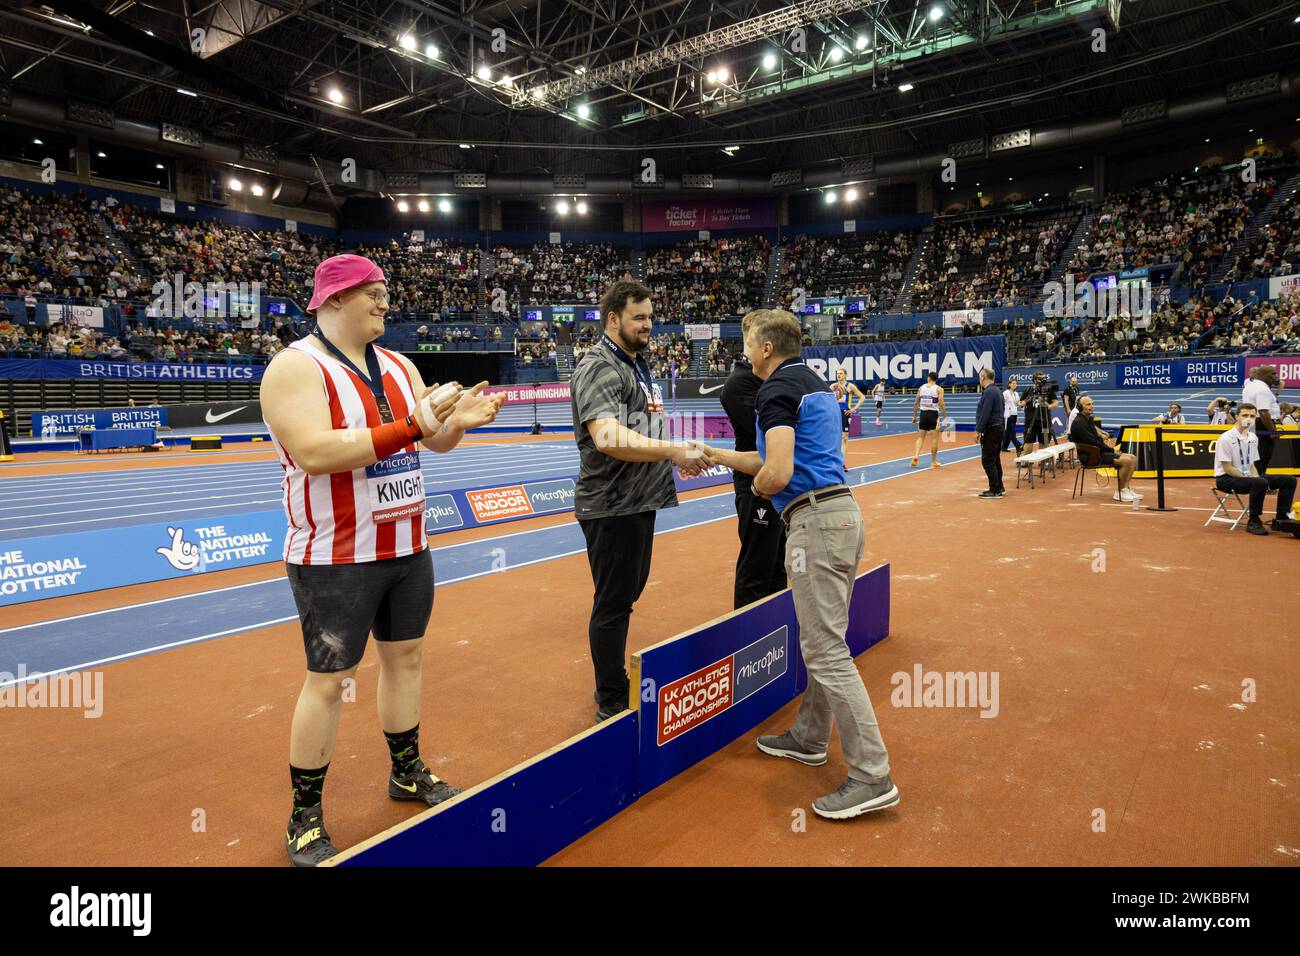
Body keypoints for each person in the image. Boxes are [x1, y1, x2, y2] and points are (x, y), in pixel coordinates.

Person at [260, 253, 506, 867]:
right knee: (328, 682)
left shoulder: (398, 364)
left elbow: (433, 434)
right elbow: (315, 451)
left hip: (407, 544)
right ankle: (306, 817)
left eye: (386, 293)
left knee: (407, 659)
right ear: (334, 298)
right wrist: (414, 429)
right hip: (335, 554)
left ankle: (406, 772)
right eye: (373, 292)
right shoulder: (294, 368)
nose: (385, 302)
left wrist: (461, 423)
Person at [695, 309, 898, 819]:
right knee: (826, 642)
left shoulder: (773, 391)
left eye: (746, 342)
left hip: (813, 524)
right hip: (841, 515)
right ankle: (809, 737)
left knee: (826, 651)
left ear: (765, 348)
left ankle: (872, 774)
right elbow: (780, 459)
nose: (743, 351)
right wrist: (719, 456)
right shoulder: (815, 386)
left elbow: (777, 473)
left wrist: (759, 489)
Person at [570, 279, 703, 723]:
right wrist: (671, 450)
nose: (649, 325)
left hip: (638, 501)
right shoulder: (601, 366)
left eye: (650, 317)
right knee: (613, 602)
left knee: (625, 596)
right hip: (611, 505)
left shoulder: (635, 363)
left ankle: (614, 689)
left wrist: (674, 456)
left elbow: (640, 426)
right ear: (613, 319)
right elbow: (606, 435)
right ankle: (610, 700)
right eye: (639, 318)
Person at [720, 352, 786, 609]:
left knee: (778, 564)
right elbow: (766, 428)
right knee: (757, 566)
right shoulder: (739, 383)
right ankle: (748, 639)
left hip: (779, 483)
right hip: (754, 485)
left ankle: (776, 625)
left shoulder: (770, 380)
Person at [1214, 403, 1296, 536]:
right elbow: (1228, 468)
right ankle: (1253, 520)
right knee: (1260, 482)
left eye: (1252, 416)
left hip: (1247, 476)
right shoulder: (1225, 438)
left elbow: (1251, 465)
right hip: (1226, 478)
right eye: (1245, 415)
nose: (1249, 419)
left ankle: (1281, 518)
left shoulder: (1253, 438)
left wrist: (1257, 477)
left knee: (1289, 480)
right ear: (1237, 416)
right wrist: (1255, 480)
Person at [1069, 395, 1142, 502]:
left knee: (1133, 458)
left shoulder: (1087, 419)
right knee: (1127, 461)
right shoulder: (1079, 423)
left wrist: (1110, 448)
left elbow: (1096, 441)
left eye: (1092, 404)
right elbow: (1093, 442)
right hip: (1091, 457)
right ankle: (1120, 491)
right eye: (1088, 404)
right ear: (1080, 407)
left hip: (1097, 452)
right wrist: (1112, 450)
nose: (1092, 406)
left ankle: (1126, 489)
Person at [1242, 365, 1281, 474]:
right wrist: (1272, 431)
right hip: (1262, 424)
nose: (1276, 376)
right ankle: (1261, 484)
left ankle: (1256, 481)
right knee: (1263, 455)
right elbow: (1263, 411)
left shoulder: (1249, 386)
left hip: (1251, 423)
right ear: (1264, 375)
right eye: (1273, 374)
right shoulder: (1263, 389)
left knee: (1255, 455)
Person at [974, 368, 1005, 498]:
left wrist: (978, 430)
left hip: (992, 429)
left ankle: (994, 489)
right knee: (995, 459)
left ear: (983, 377)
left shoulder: (989, 392)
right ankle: (999, 486)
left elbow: (985, 413)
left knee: (987, 460)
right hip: (998, 428)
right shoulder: (997, 391)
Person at [910, 371, 945, 469]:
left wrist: (914, 416)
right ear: (936, 379)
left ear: (929, 378)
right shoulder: (939, 389)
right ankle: (933, 461)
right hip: (933, 415)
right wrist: (945, 417)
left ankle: (916, 455)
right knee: (934, 439)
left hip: (923, 414)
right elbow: (941, 404)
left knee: (920, 437)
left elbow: (916, 402)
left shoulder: (921, 388)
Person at [831, 368, 866, 459]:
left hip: (845, 413)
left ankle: (842, 462)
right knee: (833, 437)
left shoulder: (850, 386)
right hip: (834, 412)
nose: (839, 375)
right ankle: (834, 459)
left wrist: (854, 409)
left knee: (844, 438)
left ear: (845, 375)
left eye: (841, 374)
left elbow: (862, 397)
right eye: (837, 374)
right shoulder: (833, 386)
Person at [1001, 377, 1023, 454]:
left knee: (1008, 432)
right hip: (1007, 415)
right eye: (1013, 383)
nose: (1015, 385)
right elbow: (1001, 403)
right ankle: (1018, 445)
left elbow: (1017, 404)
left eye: (1016, 384)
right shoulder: (1005, 393)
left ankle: (1004, 447)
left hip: (1014, 414)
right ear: (1009, 384)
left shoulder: (1016, 394)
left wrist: (1023, 406)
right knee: (1012, 432)